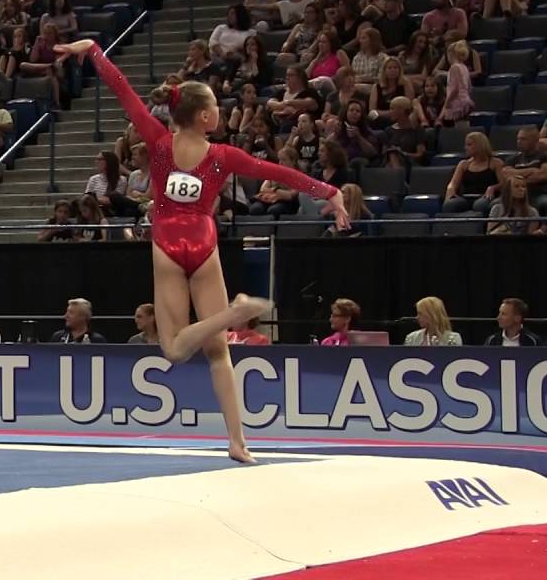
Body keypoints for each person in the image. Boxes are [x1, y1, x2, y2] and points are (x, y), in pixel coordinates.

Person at [57, 38, 348, 462]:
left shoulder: (158, 143)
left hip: (168, 245)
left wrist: (95, 50)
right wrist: (329, 191)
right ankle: (237, 440)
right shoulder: (222, 155)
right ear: (205, 115)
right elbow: (278, 171)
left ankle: (233, 314)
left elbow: (123, 90)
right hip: (204, 242)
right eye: (215, 106)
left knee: (174, 349)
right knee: (219, 352)